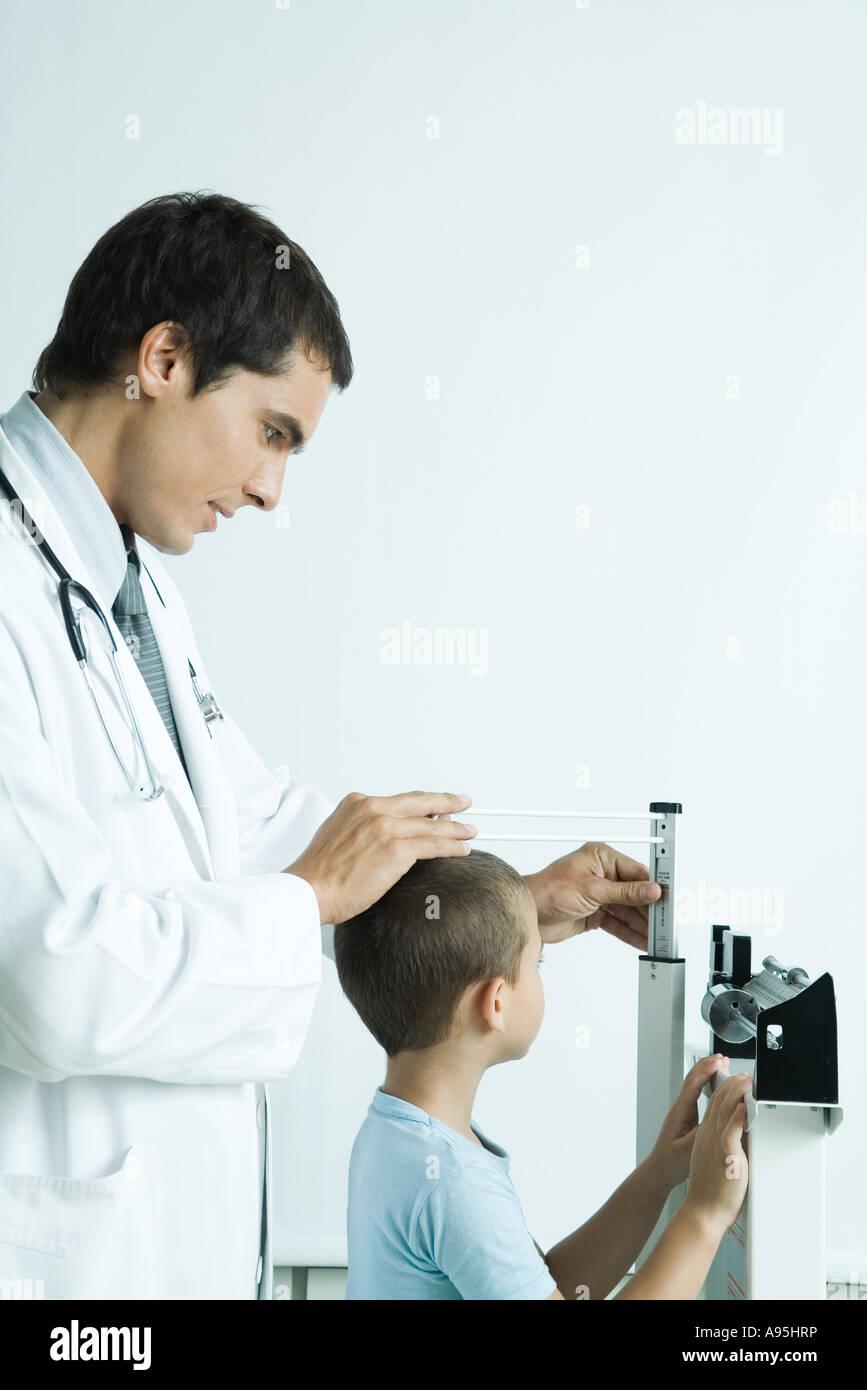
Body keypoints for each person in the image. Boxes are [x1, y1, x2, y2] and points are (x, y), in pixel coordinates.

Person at [0, 190, 664, 1300]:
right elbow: (50, 974)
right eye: (272, 433)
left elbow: (255, 826)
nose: (269, 490)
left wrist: (498, 902)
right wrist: (307, 899)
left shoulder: (135, 593)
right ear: (163, 357)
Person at [334, 851, 751, 1300]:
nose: (539, 973)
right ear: (496, 1003)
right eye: (537, 962)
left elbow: (546, 1286)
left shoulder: (401, 1134)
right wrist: (705, 1215)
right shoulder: (454, 1182)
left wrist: (657, 1175)